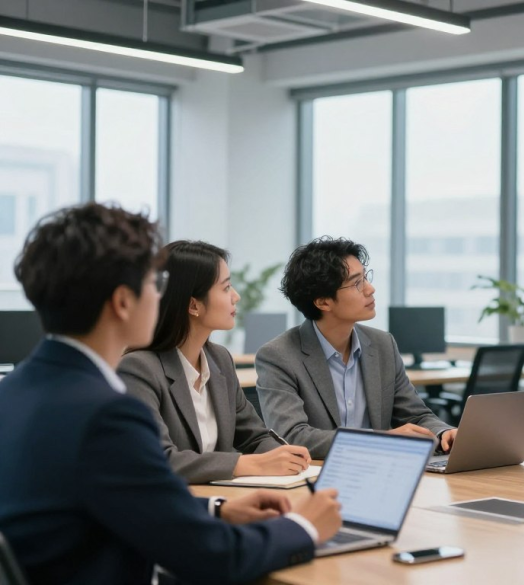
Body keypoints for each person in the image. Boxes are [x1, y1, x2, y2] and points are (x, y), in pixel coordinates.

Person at [0, 203, 341, 584]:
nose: (162, 298)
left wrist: (216, 509)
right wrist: (304, 526)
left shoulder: (15, 390)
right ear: (123, 302)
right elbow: (213, 556)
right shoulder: (106, 414)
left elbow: (110, 499)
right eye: (154, 285)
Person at [118, 241, 311, 483]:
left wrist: (284, 456)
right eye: (226, 287)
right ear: (193, 305)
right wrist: (246, 463)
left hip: (220, 499)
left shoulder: (219, 359)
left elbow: (253, 437)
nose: (236, 296)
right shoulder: (138, 369)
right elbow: (159, 458)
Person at [255, 236, 456, 459]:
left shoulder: (382, 345)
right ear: (323, 302)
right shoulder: (278, 356)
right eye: (357, 283)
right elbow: (292, 436)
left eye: (366, 278)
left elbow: (415, 415)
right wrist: (382, 440)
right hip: (317, 478)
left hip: (383, 471)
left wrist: (444, 431)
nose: (370, 289)